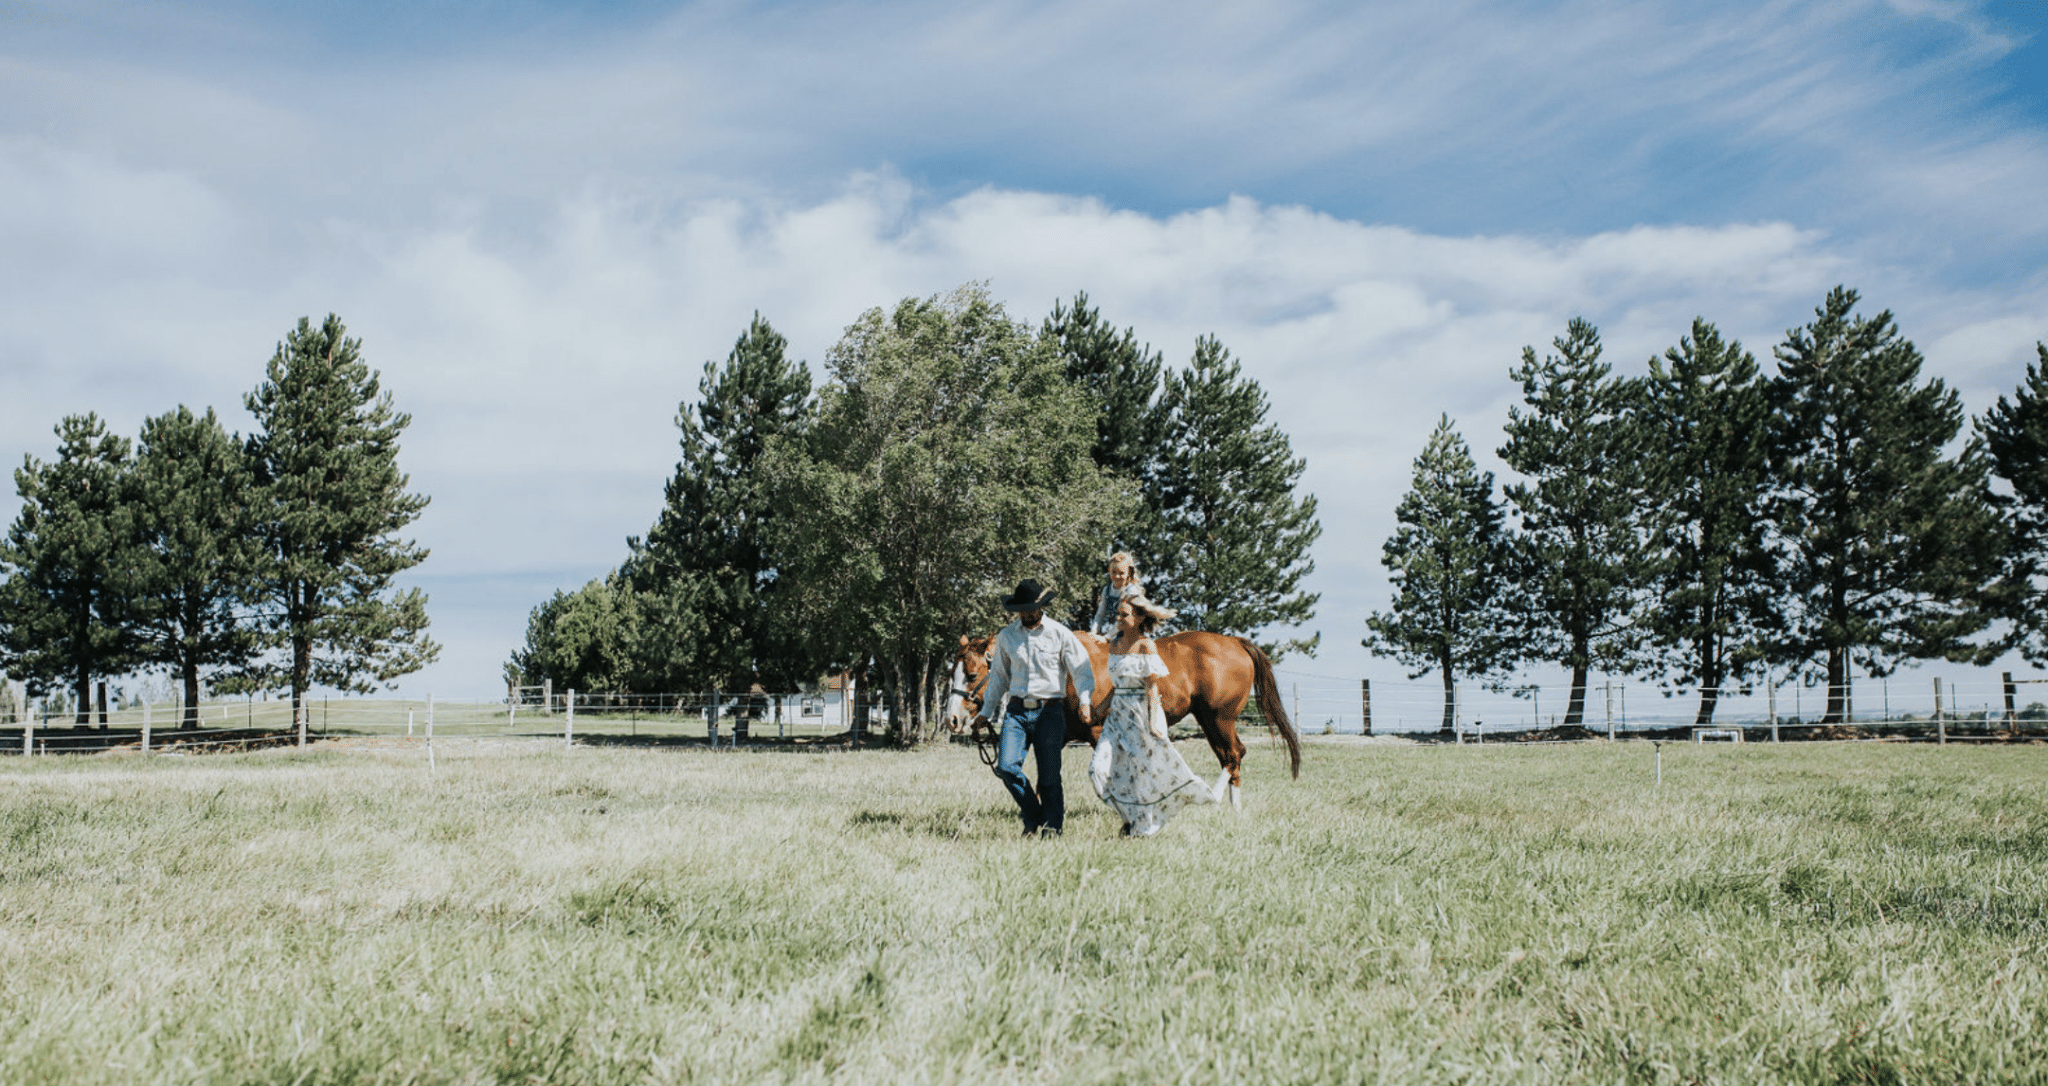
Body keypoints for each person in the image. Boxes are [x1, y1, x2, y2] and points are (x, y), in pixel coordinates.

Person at [971, 578, 1096, 838]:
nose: (1027, 613)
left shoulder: (1060, 634)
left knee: (1049, 776)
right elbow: (999, 678)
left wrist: (1085, 700)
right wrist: (985, 712)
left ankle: (1052, 827)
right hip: (1016, 712)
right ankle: (1035, 814)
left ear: (1041, 607)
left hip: (1049, 712)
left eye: (1031, 608)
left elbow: (1082, 670)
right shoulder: (1007, 636)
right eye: (1022, 609)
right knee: (1005, 767)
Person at [1089, 592, 1218, 836]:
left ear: (1138, 618)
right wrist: (1099, 709)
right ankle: (1130, 817)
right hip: (1116, 718)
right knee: (1097, 770)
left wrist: (1153, 722)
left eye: (1124, 614)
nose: (1118, 618)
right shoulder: (1115, 643)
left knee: (1140, 776)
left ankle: (1141, 827)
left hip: (1138, 716)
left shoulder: (1146, 646)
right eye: (1117, 614)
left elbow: (1152, 688)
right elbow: (1117, 685)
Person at [1090, 552, 1142, 637]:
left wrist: (1108, 636)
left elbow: (1123, 619)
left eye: (1121, 573)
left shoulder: (1131, 591)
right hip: (1112, 633)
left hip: (1128, 634)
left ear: (1128, 573)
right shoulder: (1106, 590)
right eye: (1114, 572)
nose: (1117, 576)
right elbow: (1100, 614)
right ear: (1109, 570)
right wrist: (1093, 631)